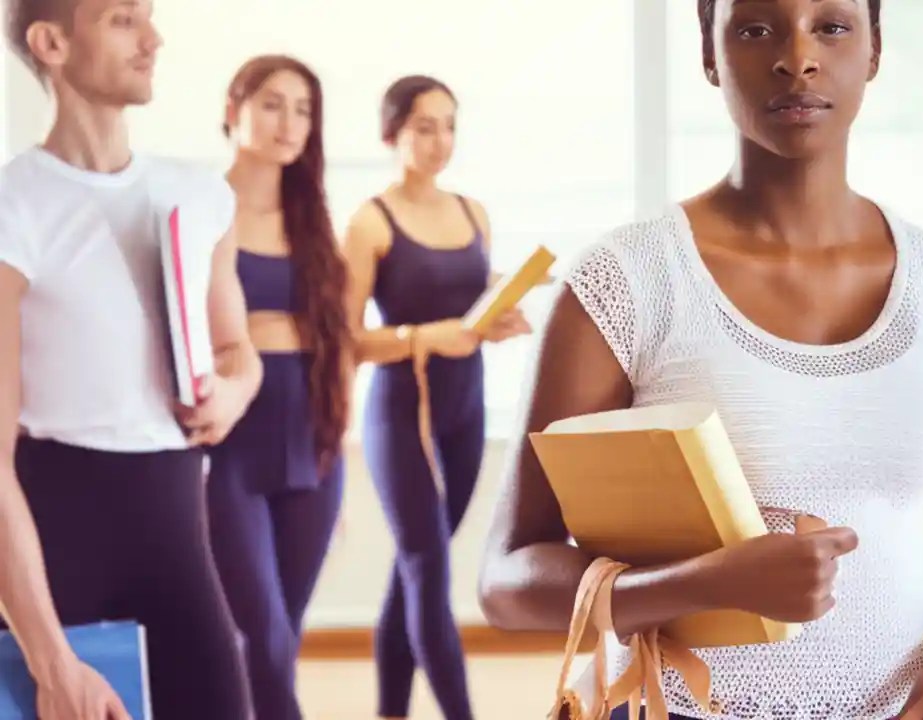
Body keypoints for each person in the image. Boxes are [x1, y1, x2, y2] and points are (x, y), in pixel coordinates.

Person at [478, 0, 923, 718]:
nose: (796, 57)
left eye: (831, 26)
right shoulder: (626, 282)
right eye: (756, 28)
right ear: (709, 53)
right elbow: (507, 579)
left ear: (875, 50)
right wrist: (702, 583)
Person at [0, 1, 260, 718]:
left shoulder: (201, 195)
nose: (154, 37)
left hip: (178, 530)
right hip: (55, 541)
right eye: (121, 19)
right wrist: (51, 662)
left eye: (148, 16)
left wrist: (232, 394)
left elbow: (239, 350)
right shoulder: (13, 208)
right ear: (51, 43)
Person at [341, 75, 530, 720]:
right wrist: (429, 336)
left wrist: (495, 322)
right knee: (427, 568)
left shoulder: (474, 213)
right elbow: (348, 339)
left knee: (415, 569)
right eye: (424, 126)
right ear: (391, 133)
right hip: (402, 414)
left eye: (449, 125)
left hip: (467, 410)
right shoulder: (370, 221)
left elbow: (471, 314)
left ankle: (389, 712)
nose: (440, 140)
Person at [204, 54, 352, 720]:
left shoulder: (316, 222)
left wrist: (339, 450)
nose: (288, 122)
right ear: (232, 110)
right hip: (232, 446)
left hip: (314, 447)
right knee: (259, 636)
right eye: (271, 103)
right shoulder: (201, 209)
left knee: (282, 636)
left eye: (303, 109)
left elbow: (340, 343)